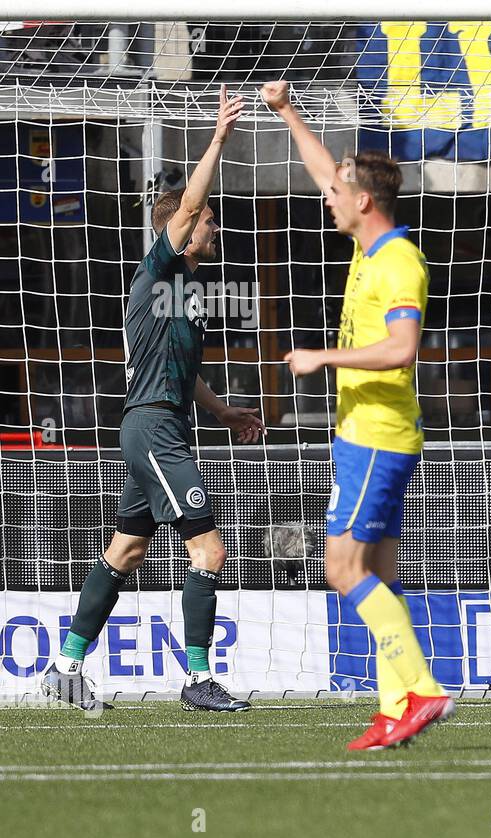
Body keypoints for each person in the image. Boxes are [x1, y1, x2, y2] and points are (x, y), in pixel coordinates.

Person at [42, 85, 264, 713]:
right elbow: (191, 200)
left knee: (128, 550)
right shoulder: (156, 270)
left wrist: (220, 410)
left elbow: (180, 369)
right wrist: (218, 136)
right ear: (185, 228)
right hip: (153, 430)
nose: (215, 228)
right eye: (208, 222)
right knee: (209, 548)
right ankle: (197, 679)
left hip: (163, 425)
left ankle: (65, 668)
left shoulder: (187, 297)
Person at [262, 80, 453, 749]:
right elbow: (325, 169)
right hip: (373, 436)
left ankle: (423, 689)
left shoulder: (398, 262)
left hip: (374, 437)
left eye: (337, 192)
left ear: (363, 201)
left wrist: (323, 358)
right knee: (381, 577)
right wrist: (288, 111)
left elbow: (401, 351)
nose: (326, 197)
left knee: (341, 569)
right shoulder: (370, 246)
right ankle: (395, 704)